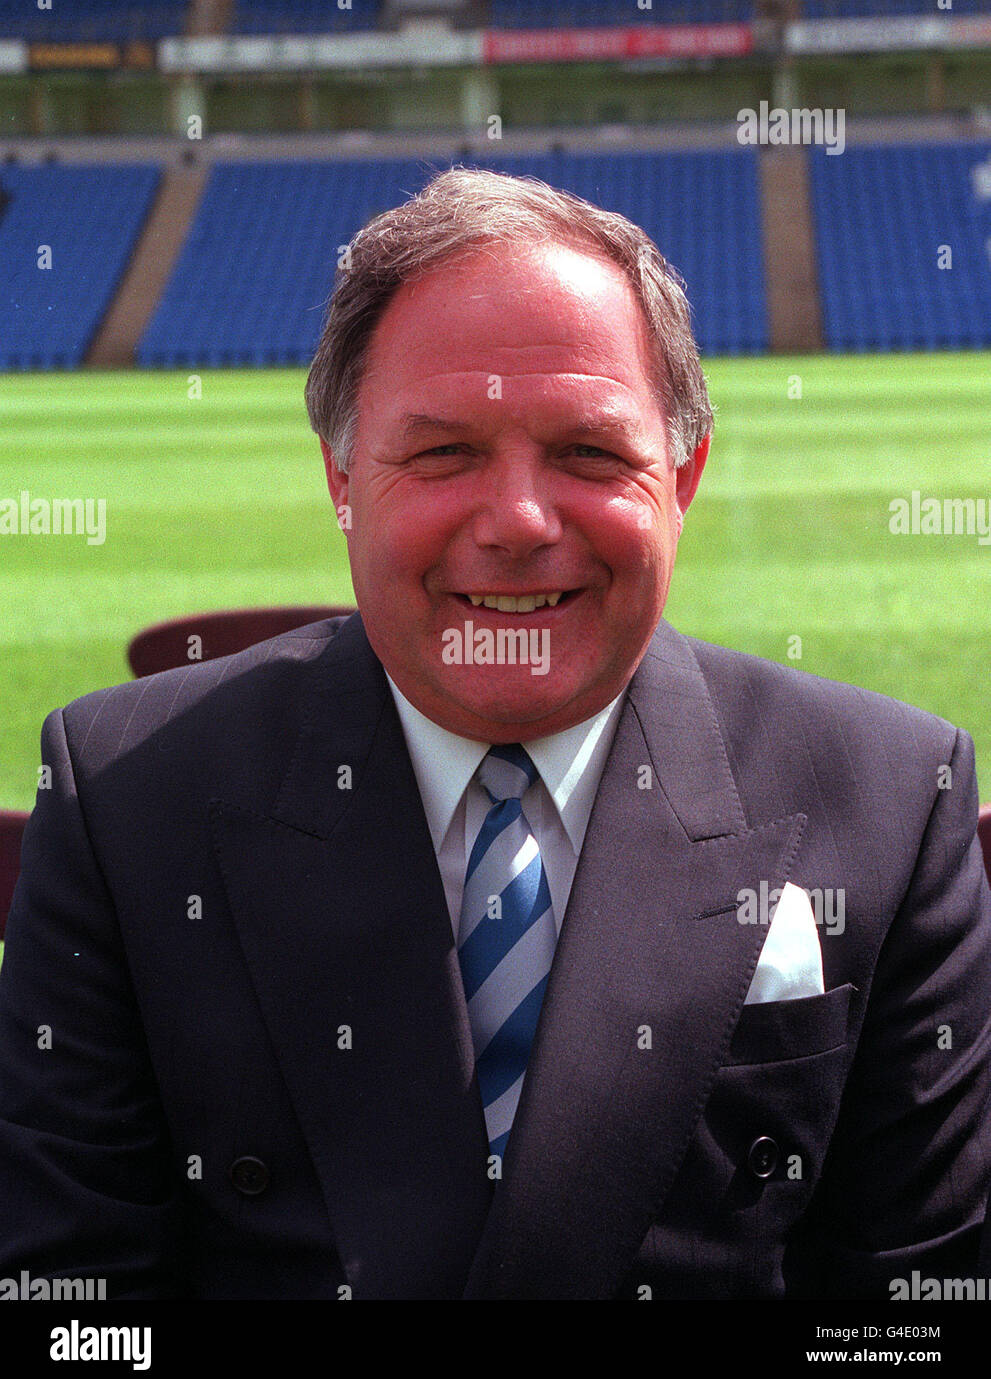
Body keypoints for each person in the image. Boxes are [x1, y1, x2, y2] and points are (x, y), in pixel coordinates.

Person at [1, 168, 989, 1300]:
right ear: (341, 479)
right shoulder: (127, 799)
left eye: (588, 453)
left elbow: (915, 1308)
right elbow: (70, 1307)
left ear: (682, 476)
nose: (519, 521)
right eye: (441, 454)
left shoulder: (889, 797)